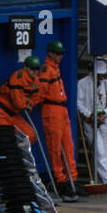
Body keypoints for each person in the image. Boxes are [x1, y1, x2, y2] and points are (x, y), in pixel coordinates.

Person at [37, 41, 78, 200]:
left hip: (61, 109)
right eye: (58, 53)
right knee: (55, 147)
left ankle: (71, 179)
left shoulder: (54, 68)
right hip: (52, 109)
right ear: (51, 54)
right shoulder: (47, 70)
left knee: (68, 145)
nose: (61, 56)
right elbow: (41, 92)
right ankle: (60, 181)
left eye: (61, 53)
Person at [77, 58, 107, 191]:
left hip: (104, 118)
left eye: (102, 74)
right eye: (98, 74)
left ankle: (101, 174)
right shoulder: (82, 84)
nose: (100, 77)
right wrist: (89, 115)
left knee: (104, 151)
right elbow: (79, 103)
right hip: (90, 119)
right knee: (98, 150)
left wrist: (105, 114)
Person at [0, 56, 41, 144]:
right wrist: (27, 102)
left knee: (30, 135)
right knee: (4, 138)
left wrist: (29, 103)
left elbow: (36, 97)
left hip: (13, 114)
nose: (35, 71)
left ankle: (16, 156)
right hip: (0, 112)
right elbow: (18, 103)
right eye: (32, 68)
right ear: (25, 67)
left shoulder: (36, 81)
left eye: (37, 68)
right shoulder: (17, 78)